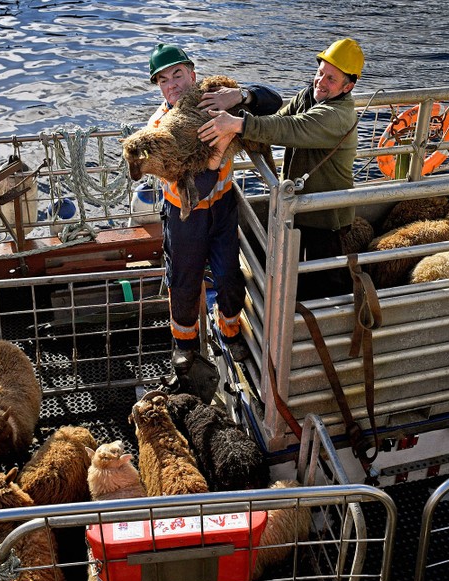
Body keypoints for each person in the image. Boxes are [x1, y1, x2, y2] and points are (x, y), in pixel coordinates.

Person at [146, 43, 282, 376]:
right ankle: (185, 346)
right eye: (164, 80)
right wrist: (220, 147)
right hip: (185, 218)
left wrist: (239, 97)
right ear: (160, 88)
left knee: (228, 276)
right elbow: (196, 186)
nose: (173, 84)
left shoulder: (214, 99)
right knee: (184, 280)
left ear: (193, 74)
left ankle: (231, 332)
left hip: (222, 210)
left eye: (178, 74)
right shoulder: (160, 128)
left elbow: (274, 101)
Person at [198, 38, 364, 300]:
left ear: (348, 86)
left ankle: (331, 330)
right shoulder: (310, 95)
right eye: (320, 72)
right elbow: (279, 118)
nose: (321, 81)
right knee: (296, 277)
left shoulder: (337, 116)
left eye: (332, 79)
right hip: (298, 207)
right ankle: (296, 320)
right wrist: (242, 97)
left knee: (327, 282)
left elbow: (290, 129)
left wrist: (238, 124)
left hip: (326, 216)